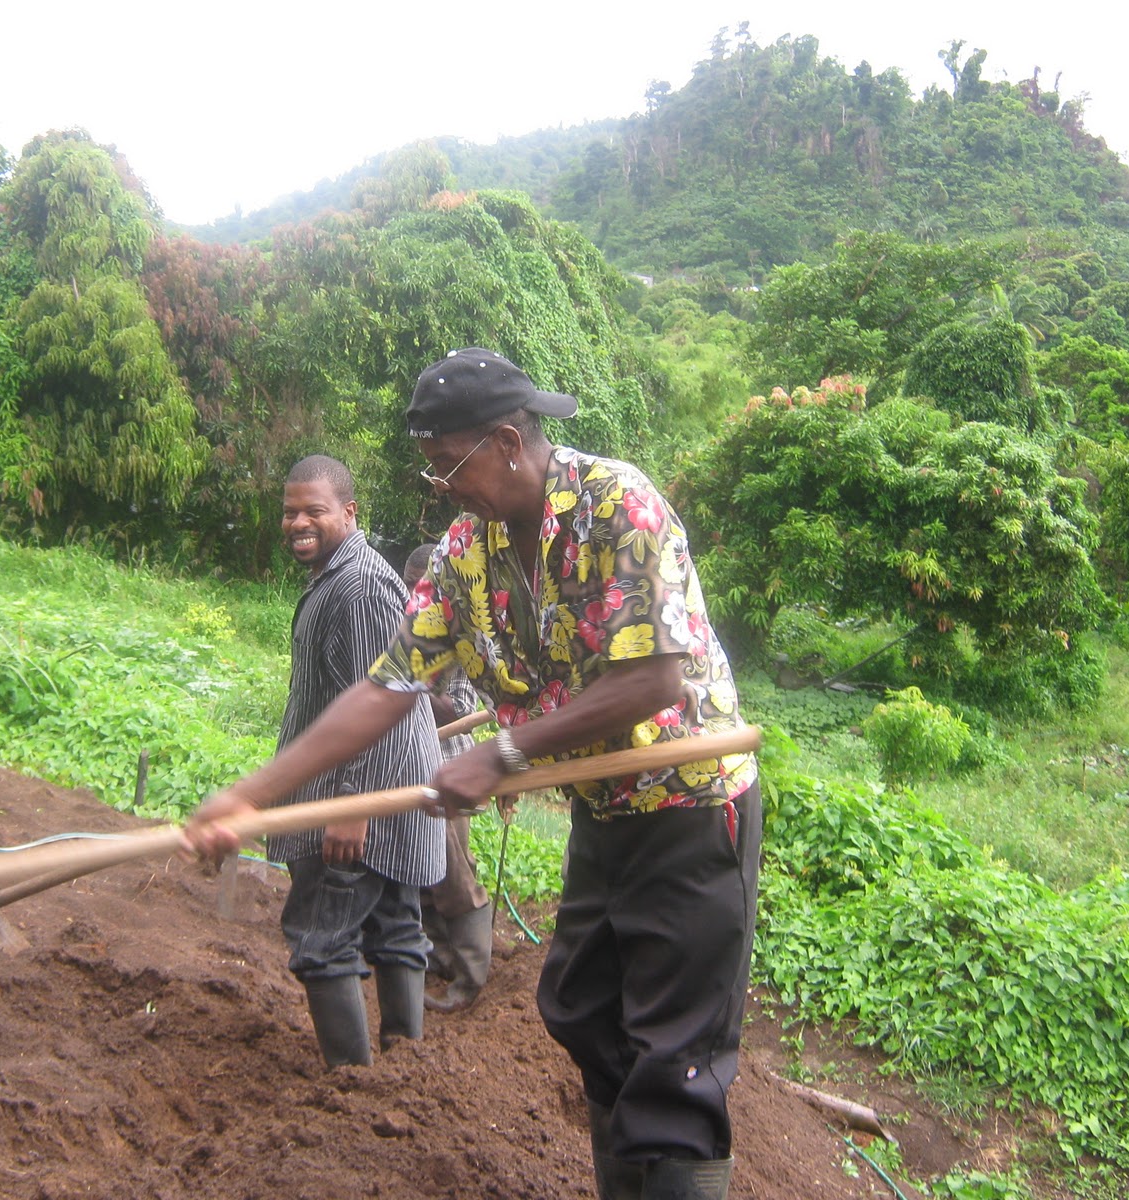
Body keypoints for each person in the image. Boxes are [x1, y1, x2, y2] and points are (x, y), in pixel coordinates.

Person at [190, 350, 759, 1200]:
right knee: (582, 1009)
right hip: (604, 813)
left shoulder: (618, 507)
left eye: (446, 463)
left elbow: (652, 680)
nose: (438, 484)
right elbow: (386, 686)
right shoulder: (467, 549)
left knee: (673, 1060)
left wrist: (503, 753)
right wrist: (253, 793)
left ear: (506, 441)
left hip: (689, 805)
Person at [258, 454, 445, 1069]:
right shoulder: (340, 576)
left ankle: (355, 1090)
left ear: (349, 511)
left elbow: (376, 704)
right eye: (290, 512)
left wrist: (350, 805)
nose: (298, 523)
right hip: (386, 794)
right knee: (394, 926)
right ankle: (404, 1069)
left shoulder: (360, 585)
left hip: (361, 798)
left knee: (321, 937)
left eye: (314, 510)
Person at [402, 543, 493, 1015]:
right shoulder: (409, 633)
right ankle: (439, 960)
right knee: (423, 872)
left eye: (421, 591)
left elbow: (460, 709)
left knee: (455, 878)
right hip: (410, 769)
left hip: (449, 768)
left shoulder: (455, 642)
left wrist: (412, 685)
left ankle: (470, 979)